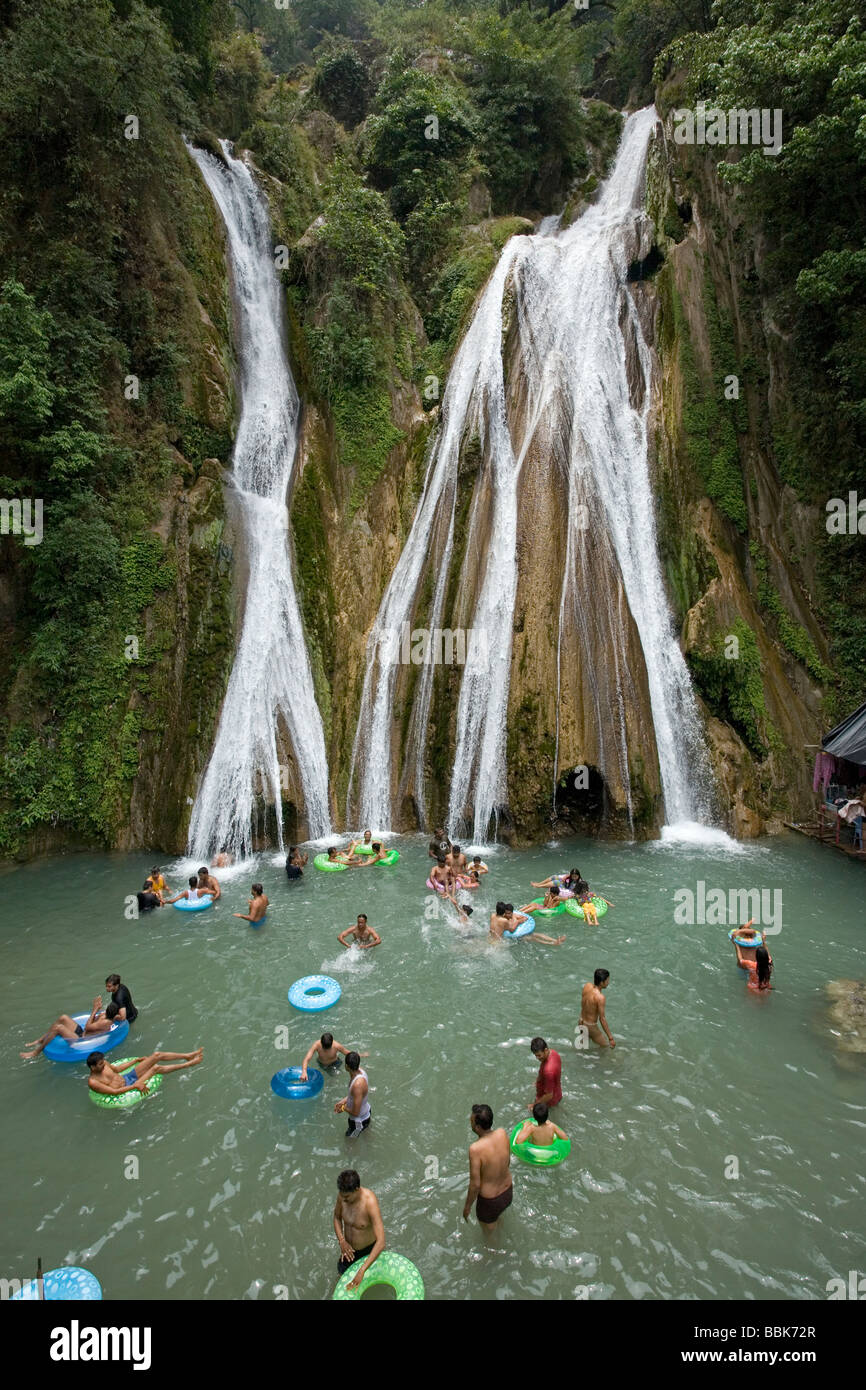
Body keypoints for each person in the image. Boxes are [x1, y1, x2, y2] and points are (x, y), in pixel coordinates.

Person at [21, 996, 125, 1060]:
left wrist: (94, 1009)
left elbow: (88, 1027)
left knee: (59, 1028)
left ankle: (36, 1052)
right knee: (63, 1017)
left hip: (80, 1040)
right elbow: (92, 1020)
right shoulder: (104, 1015)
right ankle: (41, 1039)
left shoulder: (106, 1023)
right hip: (82, 1032)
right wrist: (98, 1010)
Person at [333, 1170, 385, 1289]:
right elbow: (336, 1217)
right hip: (348, 1251)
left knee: (369, 1288)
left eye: (346, 1197)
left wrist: (362, 1270)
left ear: (357, 1189)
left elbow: (381, 1242)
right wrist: (342, 1241)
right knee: (342, 1286)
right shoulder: (342, 1196)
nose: (343, 1199)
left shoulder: (370, 1203)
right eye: (341, 1195)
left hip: (367, 1251)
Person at [463, 1103, 512, 1227]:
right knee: (499, 1219)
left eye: (472, 1121)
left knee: (490, 1239)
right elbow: (507, 1162)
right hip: (507, 1192)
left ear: (478, 1127)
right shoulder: (502, 1133)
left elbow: (475, 1185)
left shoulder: (475, 1149)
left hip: (490, 1202)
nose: (470, 1122)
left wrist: (467, 1207)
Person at [87, 1047, 203, 1095]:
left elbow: (117, 1069)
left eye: (103, 1062)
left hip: (127, 1077)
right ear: (93, 1067)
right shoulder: (93, 1082)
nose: (104, 1064)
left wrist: (136, 1061)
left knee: (156, 1055)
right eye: (100, 1064)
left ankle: (187, 1055)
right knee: (156, 1068)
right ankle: (189, 1064)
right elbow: (114, 1092)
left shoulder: (104, 1063)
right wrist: (135, 1086)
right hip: (127, 1087)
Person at [300, 1033, 369, 1081]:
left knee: (332, 1080)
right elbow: (307, 1059)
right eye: (324, 1048)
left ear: (332, 1043)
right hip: (321, 1064)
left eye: (328, 1048)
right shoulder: (316, 1045)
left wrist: (361, 1055)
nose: (326, 1051)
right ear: (321, 1042)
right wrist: (304, 1071)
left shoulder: (336, 1046)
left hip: (334, 1064)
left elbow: (348, 1053)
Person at [490, 902, 565, 947]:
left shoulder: (493, 915)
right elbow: (512, 930)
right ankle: (552, 944)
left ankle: (555, 940)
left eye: (509, 913)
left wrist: (518, 919)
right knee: (532, 937)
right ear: (503, 912)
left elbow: (524, 917)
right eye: (506, 913)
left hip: (491, 938)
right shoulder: (504, 920)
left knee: (535, 934)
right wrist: (517, 921)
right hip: (501, 941)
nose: (507, 914)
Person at [334, 1052, 371, 1137]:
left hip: (358, 1121)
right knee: (366, 1137)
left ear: (346, 1066)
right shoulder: (361, 1071)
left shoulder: (357, 1085)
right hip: (365, 1112)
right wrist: (342, 1101)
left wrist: (343, 1108)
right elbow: (355, 1096)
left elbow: (355, 1112)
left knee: (350, 1144)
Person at [579, 969, 615, 1048]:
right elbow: (602, 1019)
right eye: (607, 980)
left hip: (581, 1021)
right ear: (602, 982)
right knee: (606, 1047)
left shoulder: (587, 986)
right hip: (590, 1026)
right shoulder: (600, 997)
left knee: (583, 1047)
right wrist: (610, 1038)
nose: (608, 982)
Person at [530, 1037, 562, 1109]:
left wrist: (534, 1105)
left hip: (548, 1103)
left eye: (539, 1055)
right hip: (557, 1093)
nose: (537, 1058)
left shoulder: (548, 1071)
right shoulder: (553, 1053)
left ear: (545, 1050)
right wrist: (538, 1081)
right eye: (535, 1055)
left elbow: (549, 1095)